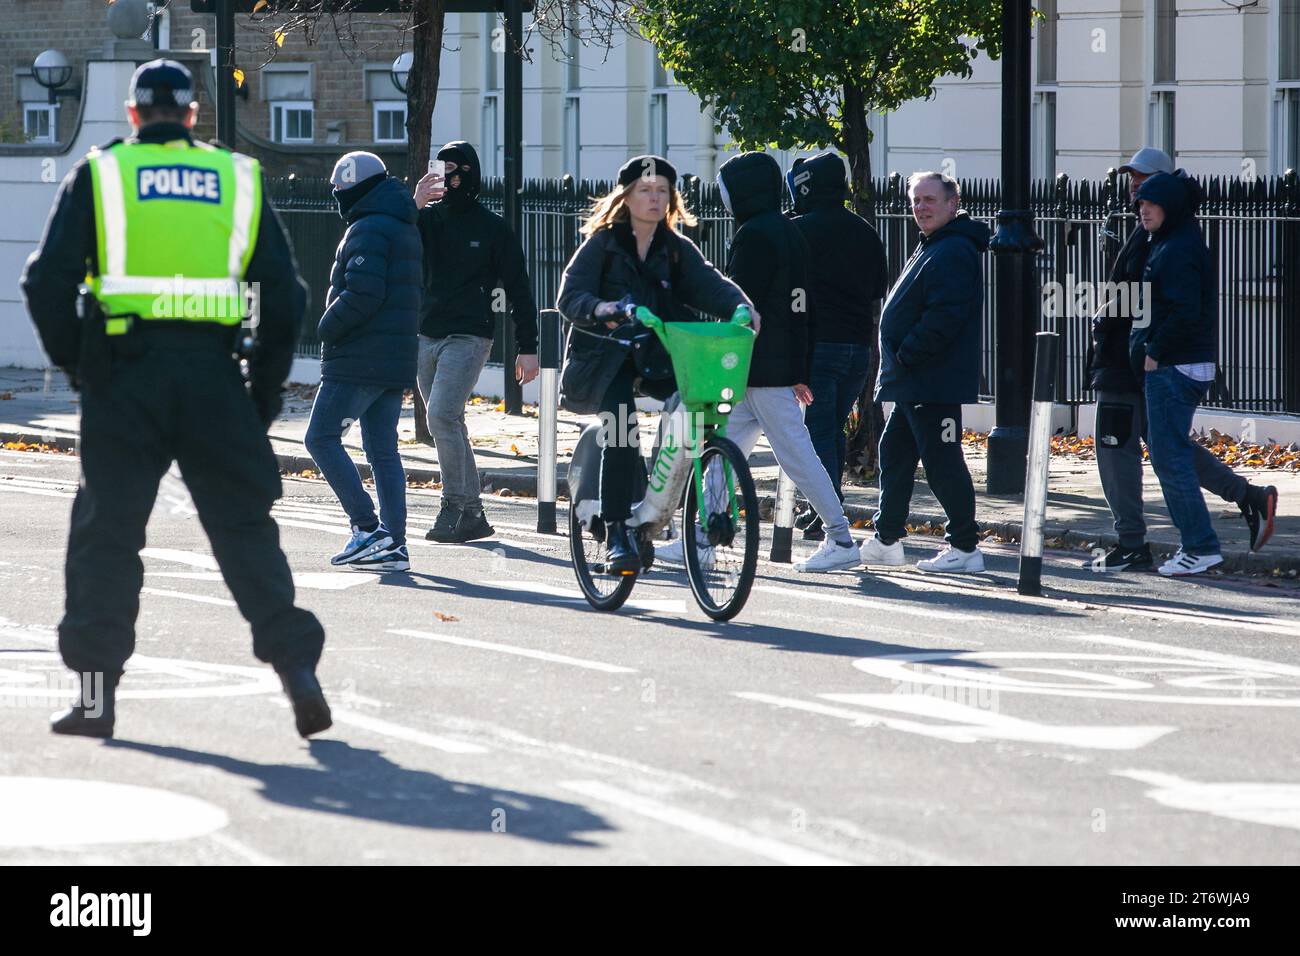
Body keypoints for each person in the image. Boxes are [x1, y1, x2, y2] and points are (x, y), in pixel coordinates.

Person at [19, 59, 330, 739]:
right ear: (193, 116)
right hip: (213, 377)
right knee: (244, 531)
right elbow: (286, 298)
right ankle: (297, 670)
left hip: (123, 380)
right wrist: (262, 393)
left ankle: (96, 699)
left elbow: (44, 283)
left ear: (133, 115)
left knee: (107, 536)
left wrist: (80, 367)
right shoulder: (235, 179)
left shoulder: (102, 174)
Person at [556, 154, 753, 573]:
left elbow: (710, 284)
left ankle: (668, 501)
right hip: (609, 359)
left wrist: (740, 307)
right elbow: (569, 297)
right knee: (622, 432)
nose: (654, 198)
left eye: (662, 190)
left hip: (660, 357)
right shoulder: (603, 244)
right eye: (645, 190)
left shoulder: (675, 249)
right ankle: (617, 533)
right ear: (626, 197)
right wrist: (605, 307)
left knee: (697, 410)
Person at [1087, 148, 1277, 571]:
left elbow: (1164, 301)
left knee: (1121, 445)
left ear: (1167, 188)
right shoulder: (1149, 228)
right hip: (1133, 355)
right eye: (1133, 180)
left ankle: (1138, 542)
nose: (1136, 187)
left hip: (1132, 360)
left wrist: (1139, 340)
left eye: (1146, 181)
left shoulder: (1166, 236)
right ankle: (1248, 497)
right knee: (1166, 445)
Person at [675, 150, 862, 574]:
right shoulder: (789, 231)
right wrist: (799, 368)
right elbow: (802, 308)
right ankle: (702, 535)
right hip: (768, 369)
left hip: (755, 368)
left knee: (796, 456)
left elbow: (739, 304)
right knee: (722, 452)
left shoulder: (754, 235)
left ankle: (841, 536)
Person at [410, 140, 539, 543]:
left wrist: (528, 346)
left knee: (441, 417)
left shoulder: (492, 227)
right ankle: (473, 514)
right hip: (426, 334)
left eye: (450, 170)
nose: (443, 177)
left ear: (465, 173)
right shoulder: (427, 219)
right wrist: (413, 204)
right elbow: (393, 238)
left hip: (468, 336)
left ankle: (453, 505)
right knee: (447, 423)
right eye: (439, 168)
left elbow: (519, 287)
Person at [862, 171, 988, 573]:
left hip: (931, 380)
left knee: (943, 461)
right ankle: (886, 539)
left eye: (929, 200)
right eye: (916, 200)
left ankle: (965, 548)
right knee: (895, 453)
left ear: (953, 203)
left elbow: (945, 315)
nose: (920, 207)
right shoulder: (936, 244)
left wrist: (908, 355)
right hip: (915, 380)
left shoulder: (952, 250)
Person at [303, 151, 420, 572]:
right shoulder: (401, 222)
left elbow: (363, 294)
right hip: (392, 357)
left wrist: (324, 325)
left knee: (320, 439)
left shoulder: (368, 227)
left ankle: (367, 527)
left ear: (353, 189)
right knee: (382, 449)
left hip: (359, 357)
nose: (337, 196)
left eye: (340, 189)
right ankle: (394, 543)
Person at [1131, 172, 1233, 576]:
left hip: (1174, 366)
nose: (1143, 210)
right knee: (1171, 451)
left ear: (1170, 207)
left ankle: (1200, 545)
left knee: (1169, 457)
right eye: (1140, 204)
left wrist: (1154, 352)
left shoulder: (1177, 249)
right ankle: (1242, 503)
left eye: (1151, 204)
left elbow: (1184, 311)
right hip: (1177, 363)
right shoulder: (1174, 243)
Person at [785, 151, 889, 541]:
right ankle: (826, 506)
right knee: (831, 428)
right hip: (858, 349)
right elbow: (878, 286)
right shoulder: (863, 230)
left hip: (818, 347)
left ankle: (825, 512)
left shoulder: (799, 230)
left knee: (818, 432)